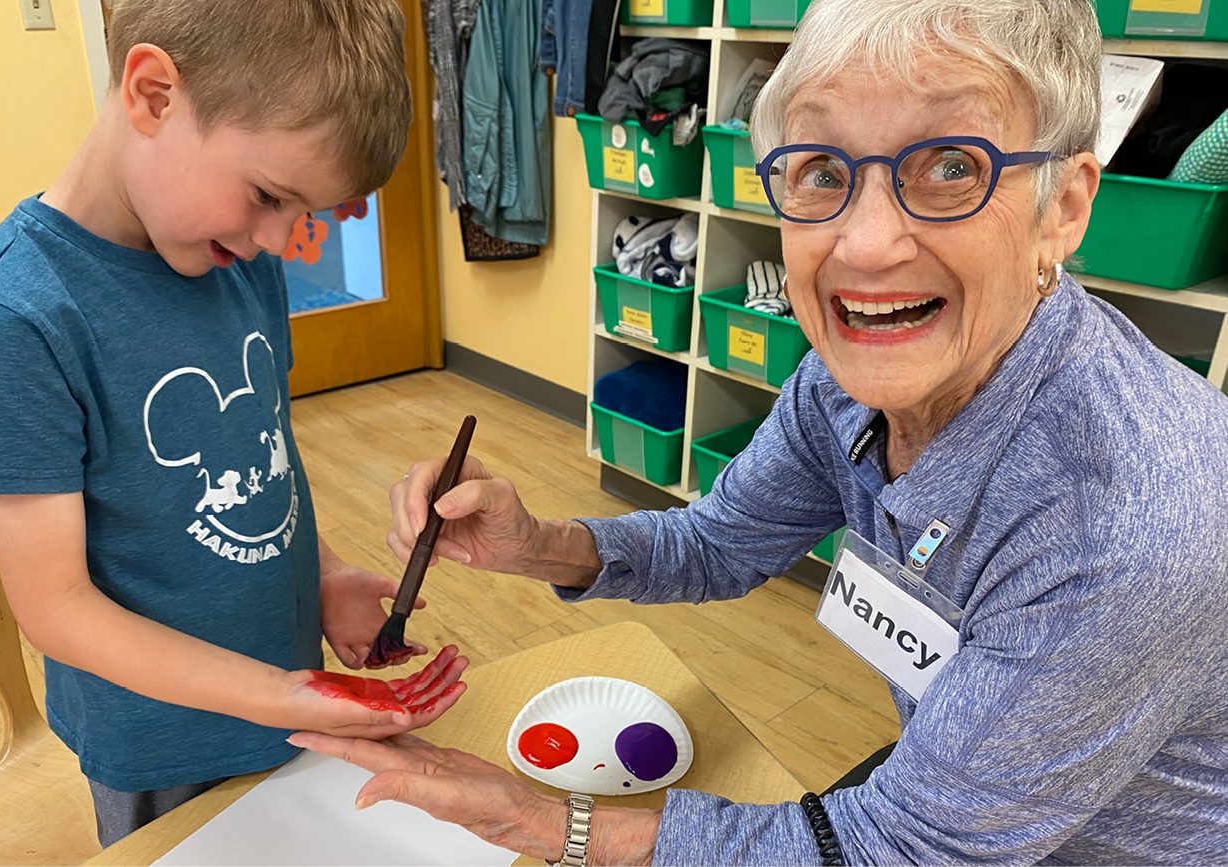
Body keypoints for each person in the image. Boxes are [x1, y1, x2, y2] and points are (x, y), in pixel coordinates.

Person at [289, 0, 1228, 863]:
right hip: (959, 795)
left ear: (1061, 207)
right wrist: (538, 546)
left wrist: (530, 817)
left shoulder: (1126, 525)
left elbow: (901, 847)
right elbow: (720, 541)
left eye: (951, 167)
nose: (862, 247)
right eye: (821, 170)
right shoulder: (847, 381)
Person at [0, 0, 467, 848]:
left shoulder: (230, 258)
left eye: (303, 215)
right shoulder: (17, 315)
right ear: (153, 94)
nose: (276, 239)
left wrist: (325, 577)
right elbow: (56, 606)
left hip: (282, 699)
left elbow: (266, 457)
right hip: (161, 746)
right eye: (268, 196)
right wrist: (282, 694)